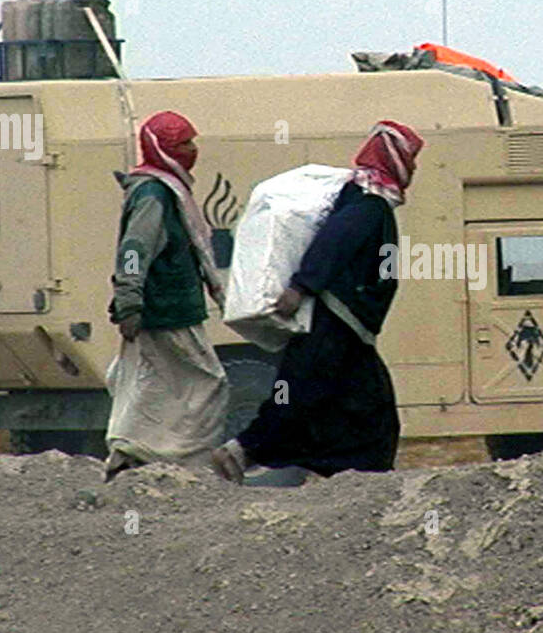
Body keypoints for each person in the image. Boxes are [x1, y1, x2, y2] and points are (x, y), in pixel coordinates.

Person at [212, 120, 424, 483]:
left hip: (347, 327)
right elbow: (335, 242)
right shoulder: (370, 206)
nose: (414, 168)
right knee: (303, 393)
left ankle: (356, 476)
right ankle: (243, 451)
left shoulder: (366, 199)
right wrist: (302, 286)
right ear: (393, 159)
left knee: (350, 402)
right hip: (335, 323)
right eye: (411, 158)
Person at [104, 111, 229, 480]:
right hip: (164, 310)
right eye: (184, 144)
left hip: (166, 309)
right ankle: (180, 461)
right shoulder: (154, 194)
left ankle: (137, 457)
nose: (193, 150)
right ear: (163, 149)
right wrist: (129, 300)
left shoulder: (167, 190)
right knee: (207, 383)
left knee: (152, 385)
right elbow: (133, 249)